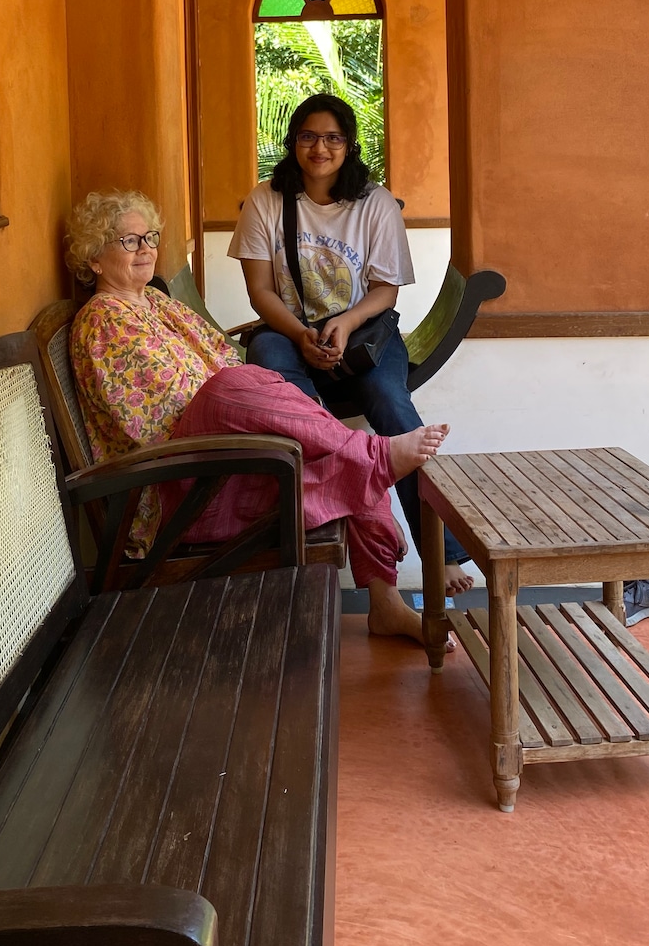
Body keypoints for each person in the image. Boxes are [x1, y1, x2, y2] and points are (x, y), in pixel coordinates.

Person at [66, 187, 451, 647]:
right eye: (130, 241)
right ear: (94, 258)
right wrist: (253, 404)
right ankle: (375, 456)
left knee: (339, 453)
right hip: (180, 485)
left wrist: (263, 402)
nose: (146, 249)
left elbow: (223, 365)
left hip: (224, 459)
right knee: (247, 387)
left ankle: (386, 605)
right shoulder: (103, 321)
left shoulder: (156, 302)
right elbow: (157, 420)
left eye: (150, 238)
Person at [230, 92, 474, 597]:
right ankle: (347, 510)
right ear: (293, 142)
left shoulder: (374, 203)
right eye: (308, 136)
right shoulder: (266, 200)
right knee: (290, 401)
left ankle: (444, 551)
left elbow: (385, 289)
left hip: (364, 332)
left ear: (348, 145)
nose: (320, 148)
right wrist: (300, 334)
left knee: (390, 402)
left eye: (332, 138)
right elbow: (260, 292)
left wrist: (345, 321)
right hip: (288, 330)